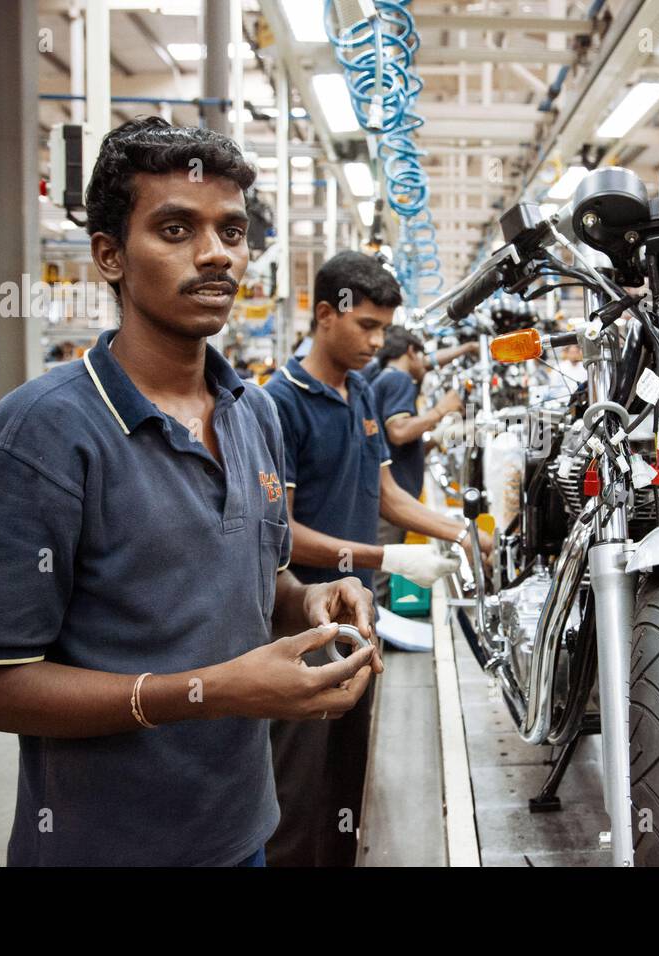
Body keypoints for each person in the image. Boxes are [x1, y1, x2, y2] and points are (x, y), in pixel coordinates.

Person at [0, 117, 380, 866]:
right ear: (110, 256)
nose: (216, 253)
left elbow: (263, 573)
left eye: (233, 230)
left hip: (245, 832)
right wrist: (212, 691)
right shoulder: (40, 436)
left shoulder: (255, 414)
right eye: (177, 228)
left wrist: (309, 598)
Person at [262, 251, 492, 866]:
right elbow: (282, 533)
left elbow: (385, 491)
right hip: (301, 619)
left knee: (348, 769)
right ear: (322, 316)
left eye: (384, 328)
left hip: (360, 611)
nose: (377, 340)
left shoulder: (362, 390)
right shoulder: (278, 404)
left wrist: (457, 529)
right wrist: (386, 555)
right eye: (365, 325)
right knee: (297, 786)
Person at [369, 326, 477, 605]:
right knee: (376, 580)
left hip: (390, 497)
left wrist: (440, 436)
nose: (426, 369)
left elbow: (401, 444)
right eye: (422, 360)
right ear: (410, 352)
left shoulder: (383, 377)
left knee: (377, 572)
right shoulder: (399, 380)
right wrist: (440, 411)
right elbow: (399, 431)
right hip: (393, 501)